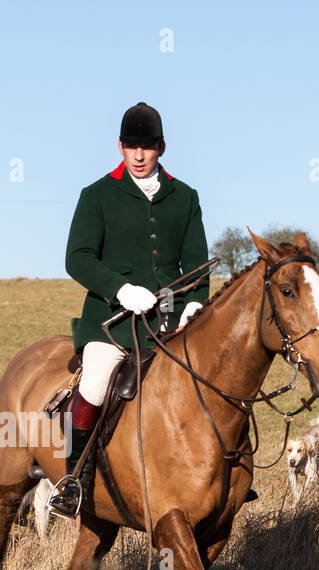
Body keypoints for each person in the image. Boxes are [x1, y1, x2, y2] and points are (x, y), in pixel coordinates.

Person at [49, 103, 210, 517]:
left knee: (208, 382)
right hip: (111, 324)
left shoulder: (185, 197)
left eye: (147, 147)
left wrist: (193, 304)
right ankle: (73, 480)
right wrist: (121, 289)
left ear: (162, 148)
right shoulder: (97, 195)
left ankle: (220, 478)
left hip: (170, 323)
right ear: (119, 147)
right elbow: (77, 258)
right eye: (132, 147)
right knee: (95, 384)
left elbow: (196, 264)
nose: (139, 156)